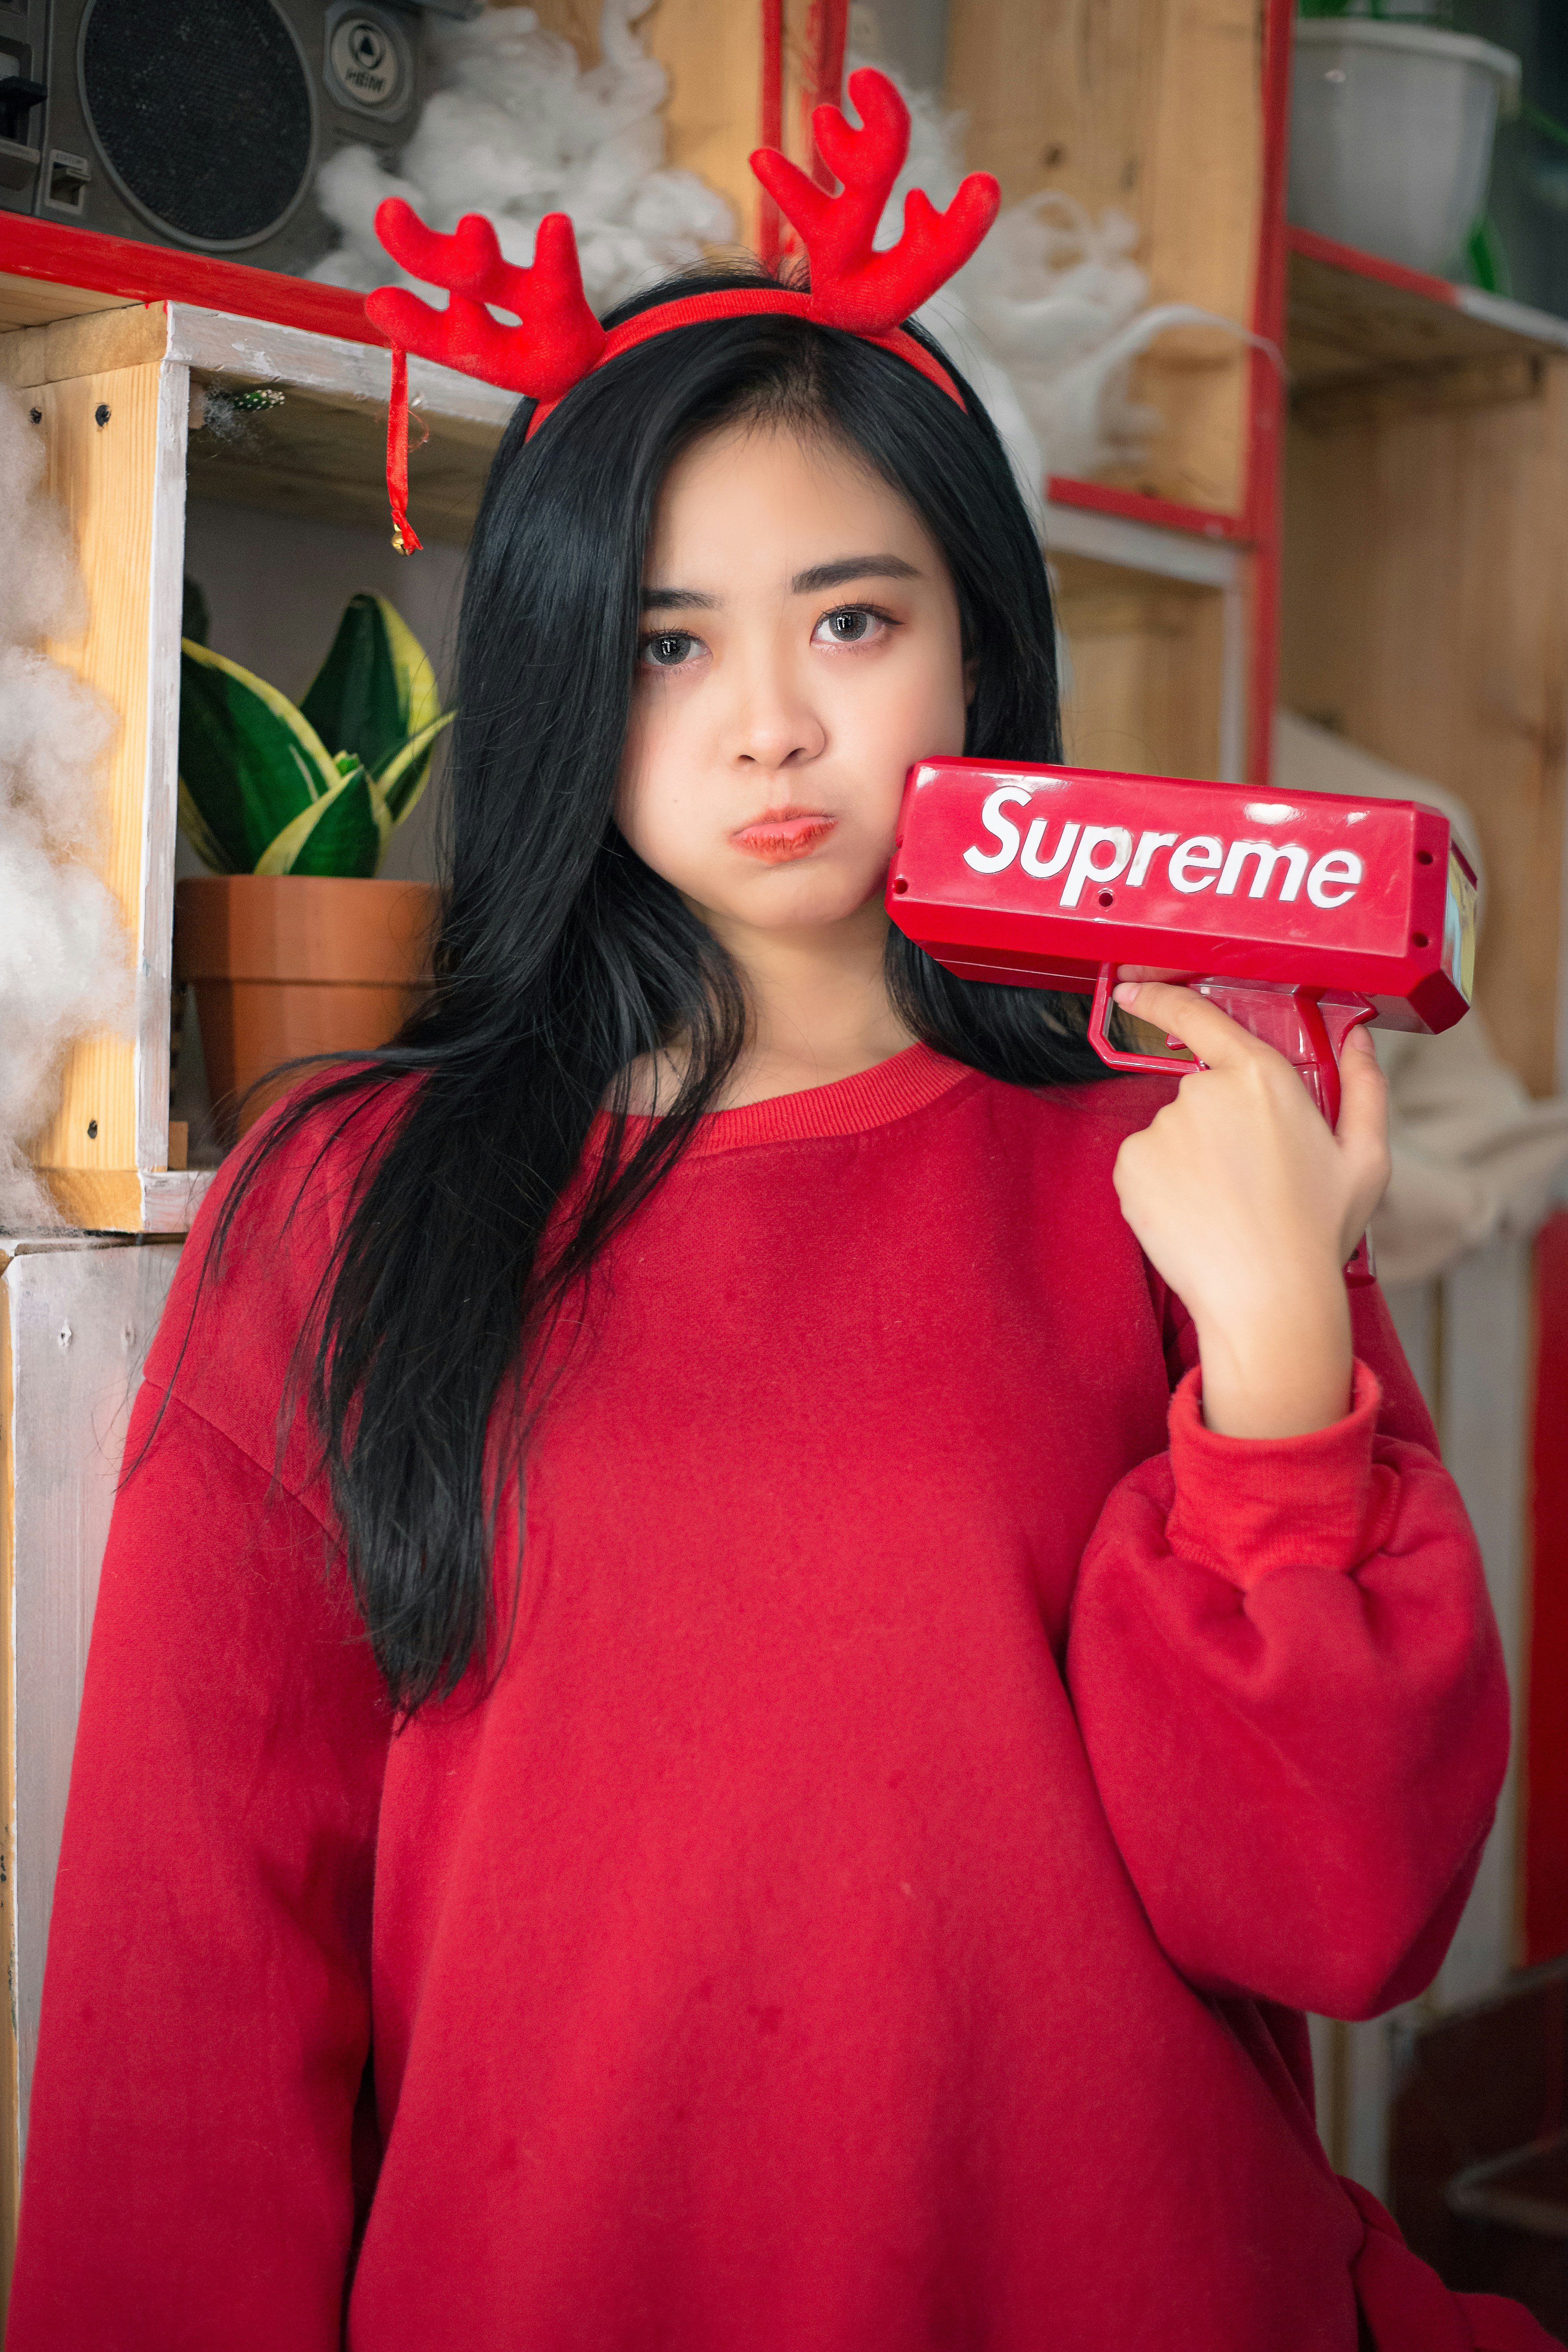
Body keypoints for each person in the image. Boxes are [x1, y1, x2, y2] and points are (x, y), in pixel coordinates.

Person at [7, 73, 1552, 2352]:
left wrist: (1275, 1345)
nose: (768, 730)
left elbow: (1335, 1913)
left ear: (973, 651)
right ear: (557, 674)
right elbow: (190, 1973)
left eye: (851, 622)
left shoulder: (1177, 1145)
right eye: (667, 642)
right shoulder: (358, 1201)